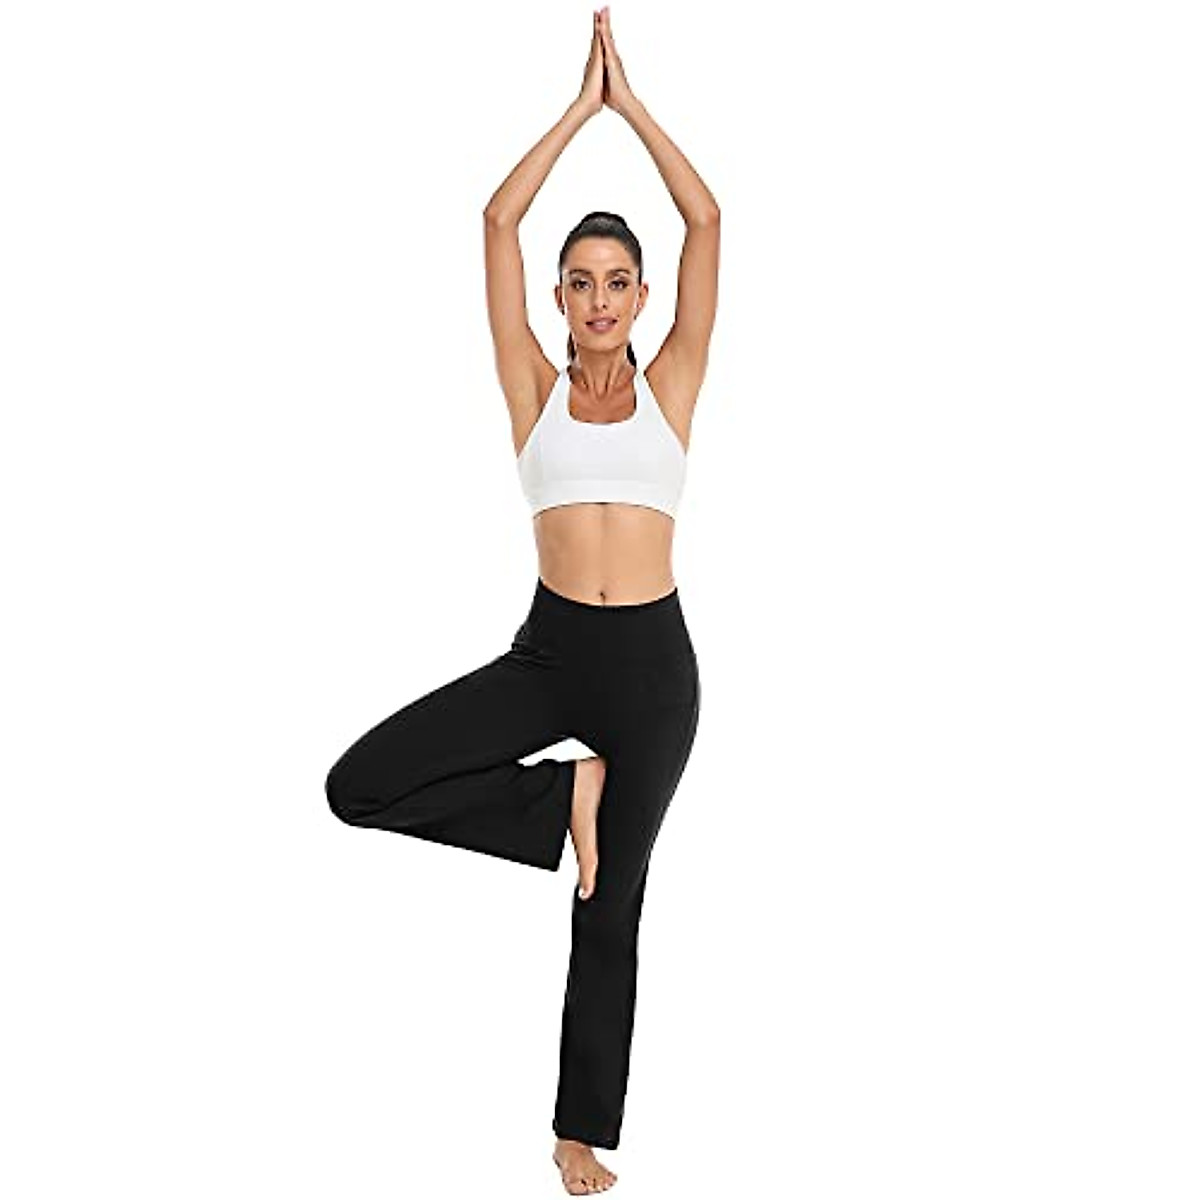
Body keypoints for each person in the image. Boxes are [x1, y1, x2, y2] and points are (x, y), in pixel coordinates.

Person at [324, 7, 719, 1194]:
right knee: (362, 785)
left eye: (618, 283)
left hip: (652, 669)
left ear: (642, 298)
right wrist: (574, 114)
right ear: (558, 297)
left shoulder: (674, 382)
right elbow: (497, 220)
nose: (600, 300)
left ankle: (576, 1133)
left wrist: (630, 108)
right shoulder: (530, 386)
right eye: (581, 282)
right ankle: (563, 799)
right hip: (549, 653)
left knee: (611, 903)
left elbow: (707, 220)